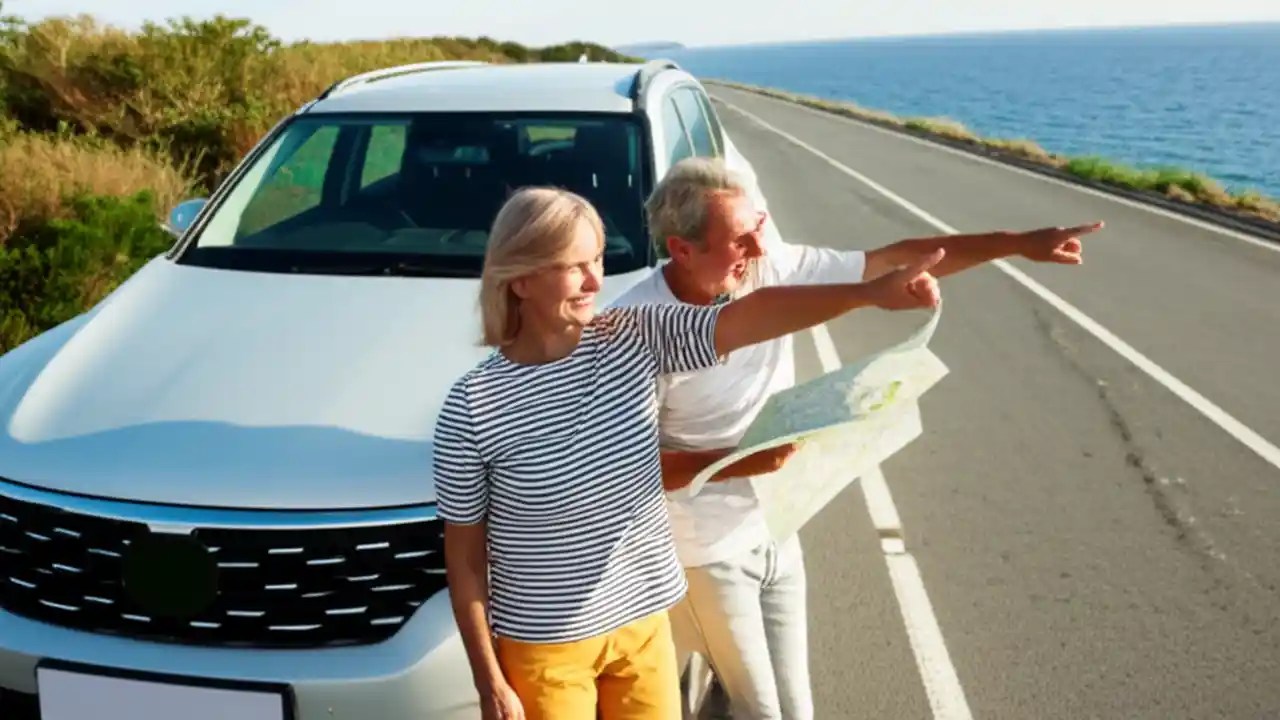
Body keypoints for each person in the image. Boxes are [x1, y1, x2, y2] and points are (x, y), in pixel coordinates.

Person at [608, 155, 1104, 720]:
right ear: (682, 248)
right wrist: (739, 461)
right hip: (699, 551)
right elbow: (631, 469)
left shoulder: (765, 264)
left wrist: (1019, 243)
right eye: (740, 239)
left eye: (758, 229)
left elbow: (894, 260)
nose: (758, 248)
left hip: (775, 528)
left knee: (783, 709)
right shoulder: (634, 328)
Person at [432, 185, 949, 720]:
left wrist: (868, 294)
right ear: (519, 279)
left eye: (597, 261)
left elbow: (748, 317)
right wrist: (489, 680)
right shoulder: (474, 405)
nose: (594, 282)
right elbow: (466, 560)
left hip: (644, 624)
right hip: (549, 648)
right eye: (572, 267)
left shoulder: (633, 338)